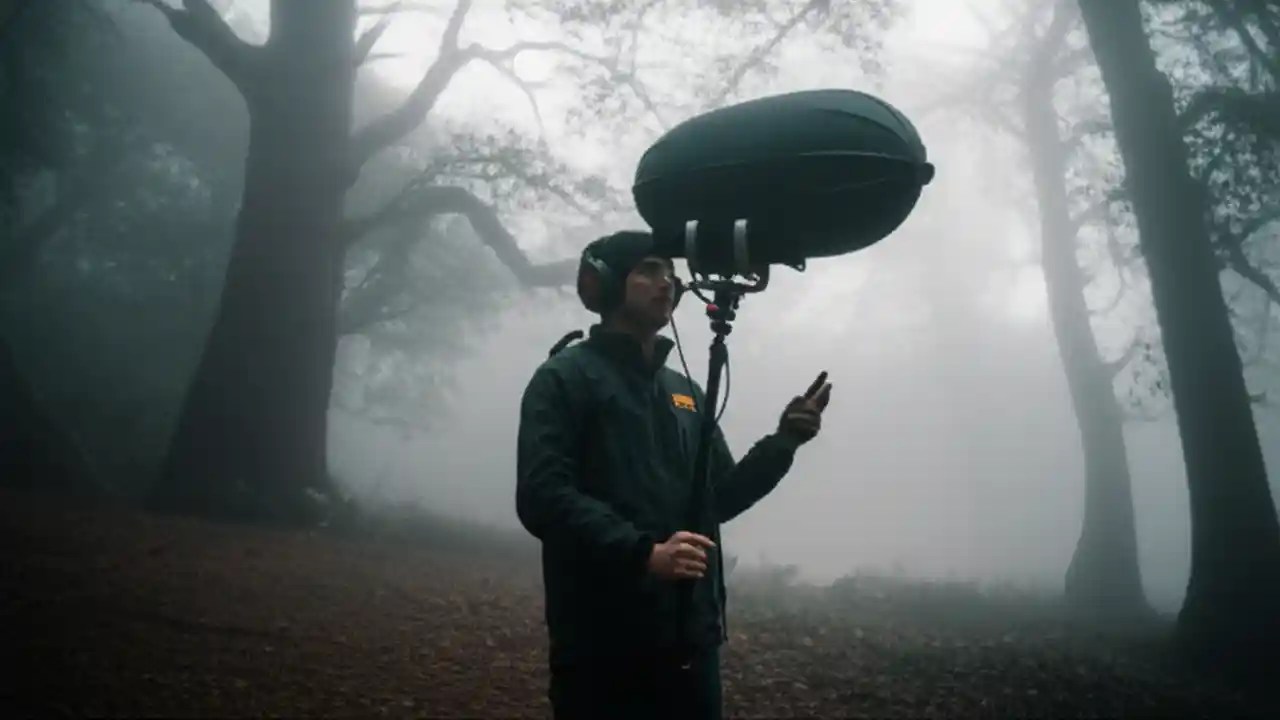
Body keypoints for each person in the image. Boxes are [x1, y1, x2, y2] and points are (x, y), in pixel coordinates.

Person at [515, 230, 833, 720]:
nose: (667, 283)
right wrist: (643, 554)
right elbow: (543, 496)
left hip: (691, 640)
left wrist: (784, 441)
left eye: (671, 273)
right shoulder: (564, 378)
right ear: (603, 283)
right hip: (602, 644)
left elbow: (718, 498)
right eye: (648, 270)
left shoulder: (685, 391)